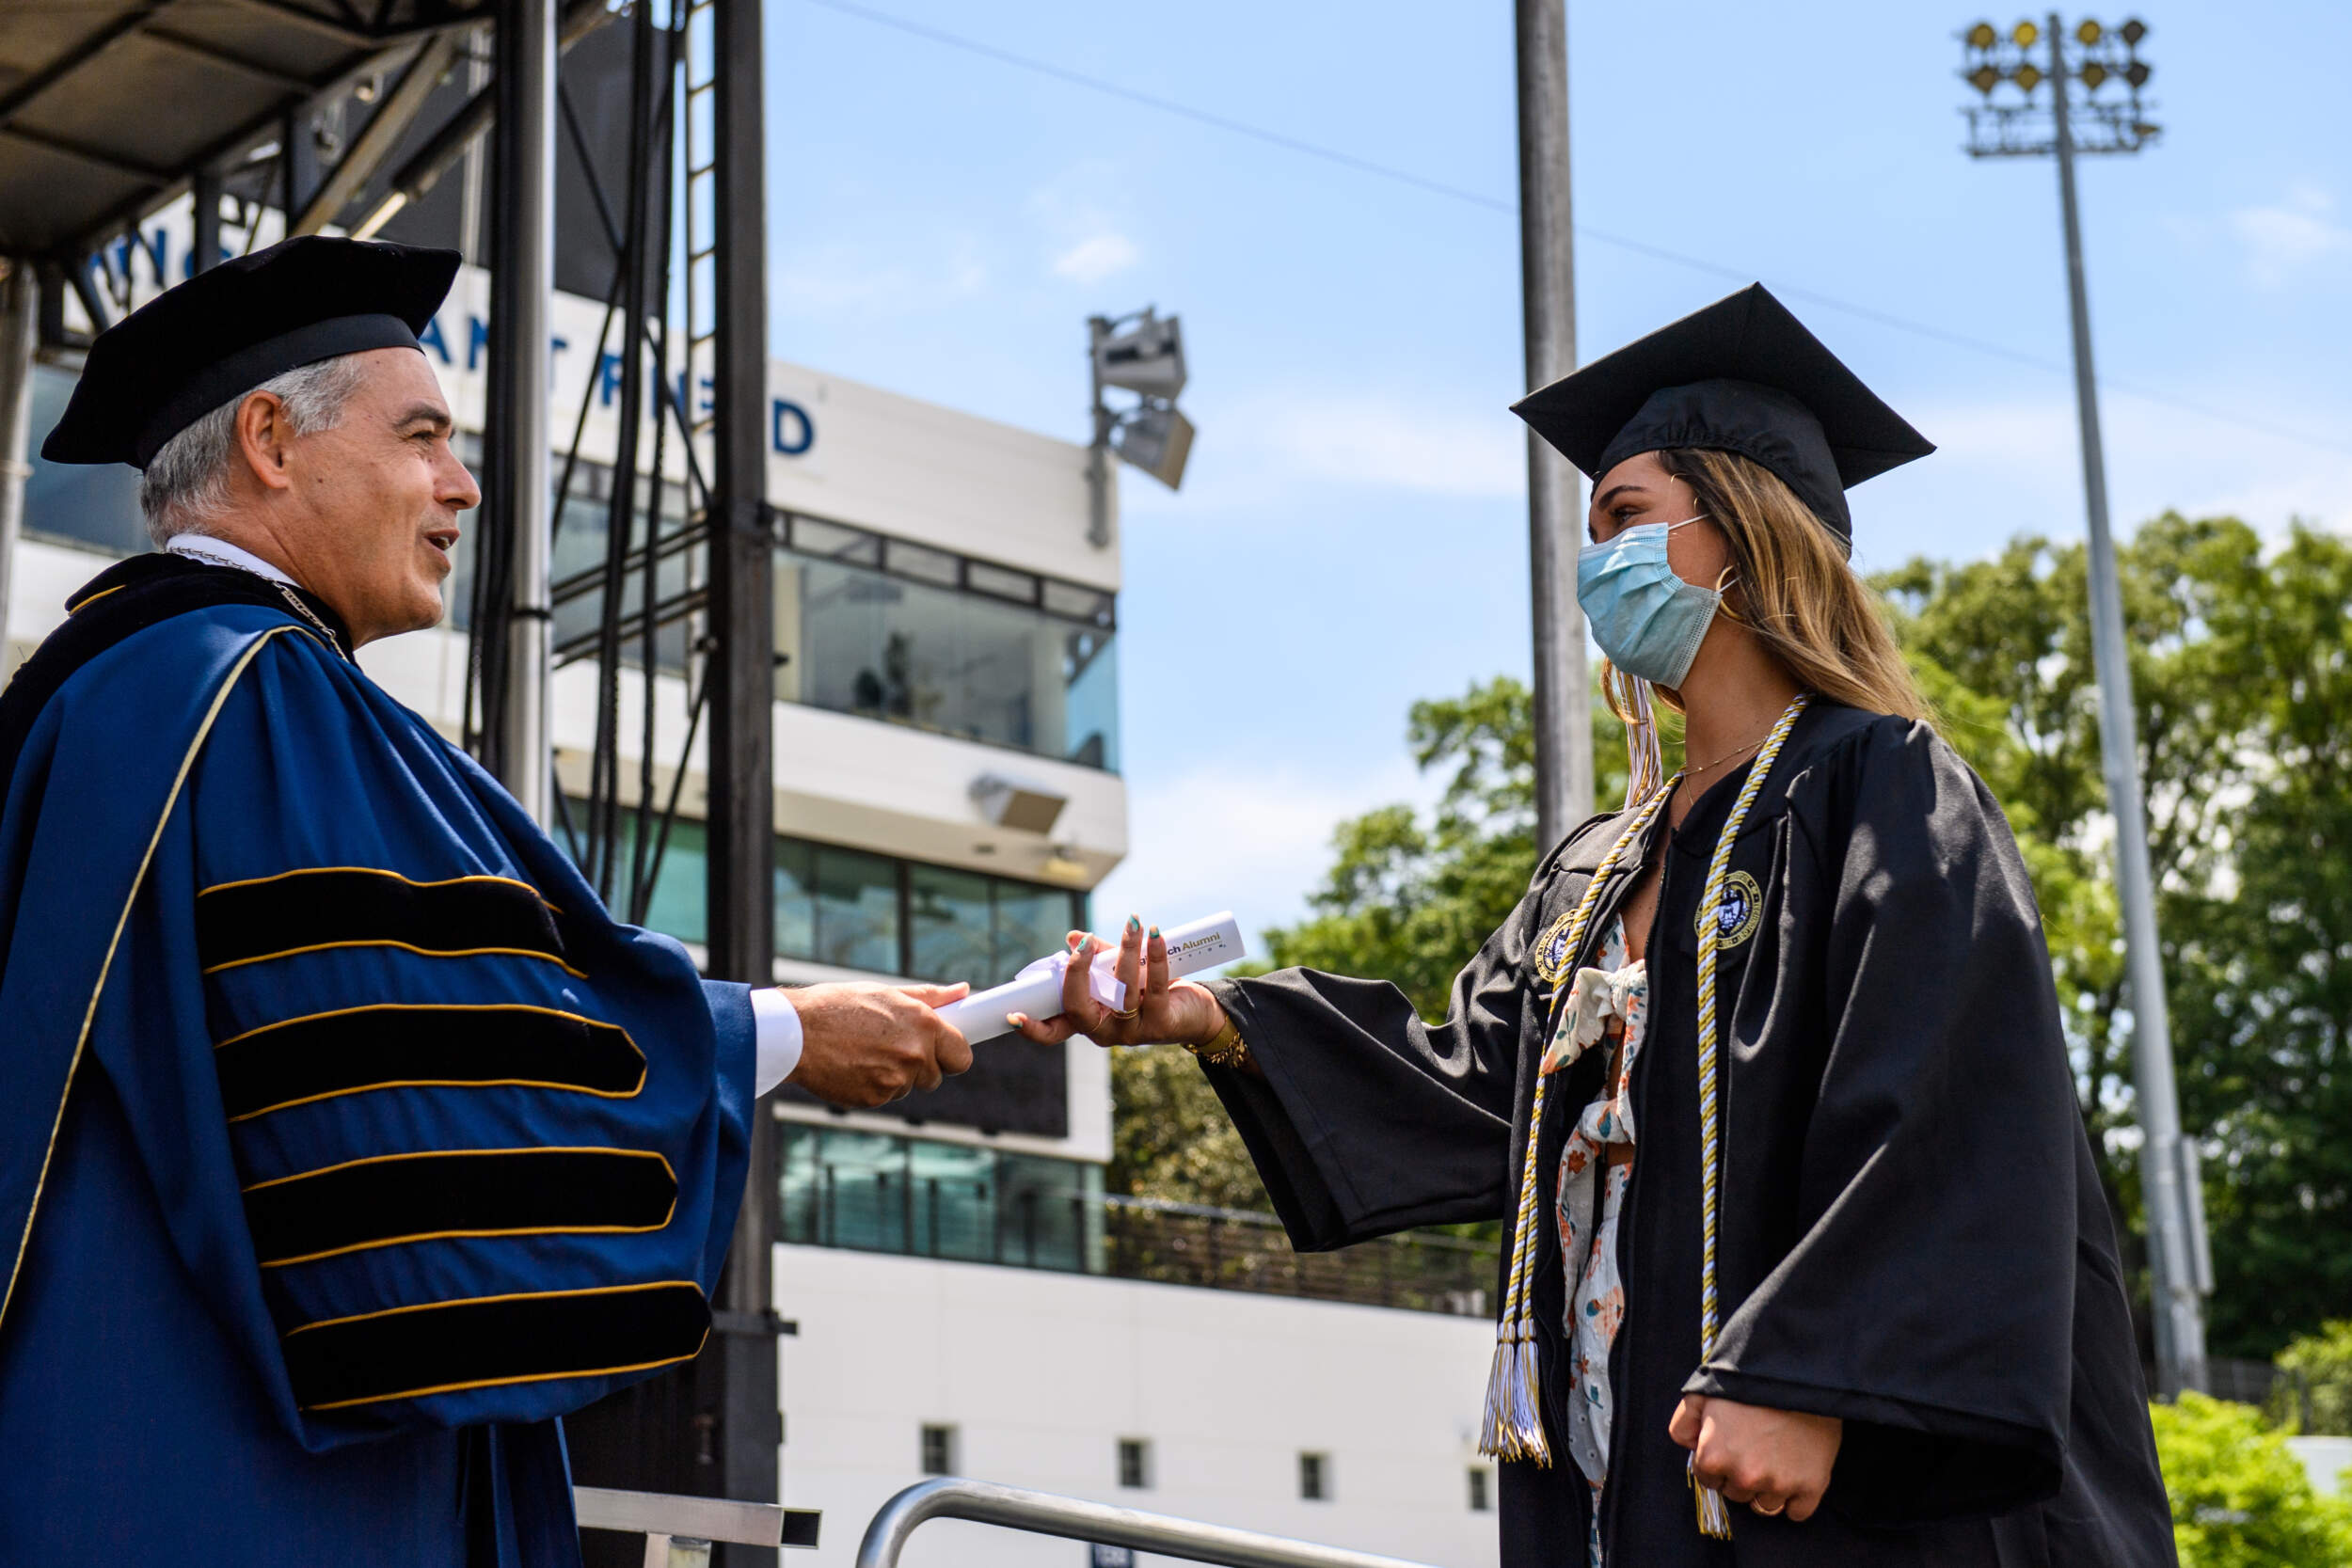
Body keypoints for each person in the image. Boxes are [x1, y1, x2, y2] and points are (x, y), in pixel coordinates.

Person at [1017, 286, 2178, 1565]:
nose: (1597, 562)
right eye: (1591, 531)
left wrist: (1808, 1376)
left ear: (1741, 533)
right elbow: (1479, 1092)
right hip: (1617, 1453)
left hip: (1811, 1477)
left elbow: (1952, 1105)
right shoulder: (1595, 870)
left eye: (1626, 518)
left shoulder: (1880, 788)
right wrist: (1219, 1021)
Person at [0, 236, 972, 1564]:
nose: (461, 486)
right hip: (226, 1481)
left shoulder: (104, 693)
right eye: (422, 439)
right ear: (273, 441)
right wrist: (781, 1033)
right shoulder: (251, 700)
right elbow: (434, 1074)